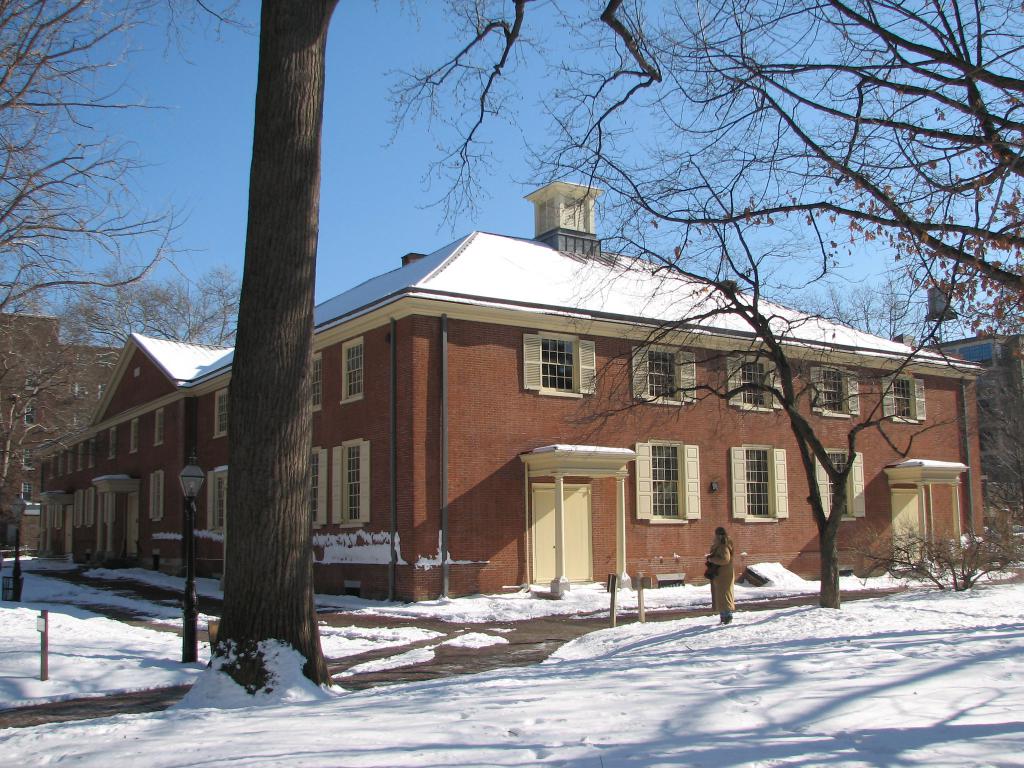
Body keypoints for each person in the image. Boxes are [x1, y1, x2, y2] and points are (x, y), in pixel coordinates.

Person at [706, 526, 735, 624]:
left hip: (724, 575)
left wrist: (712, 559)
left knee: (724, 596)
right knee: (721, 596)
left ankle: (727, 616)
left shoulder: (723, 546)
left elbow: (725, 559)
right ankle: (723, 616)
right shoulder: (720, 545)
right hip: (721, 575)